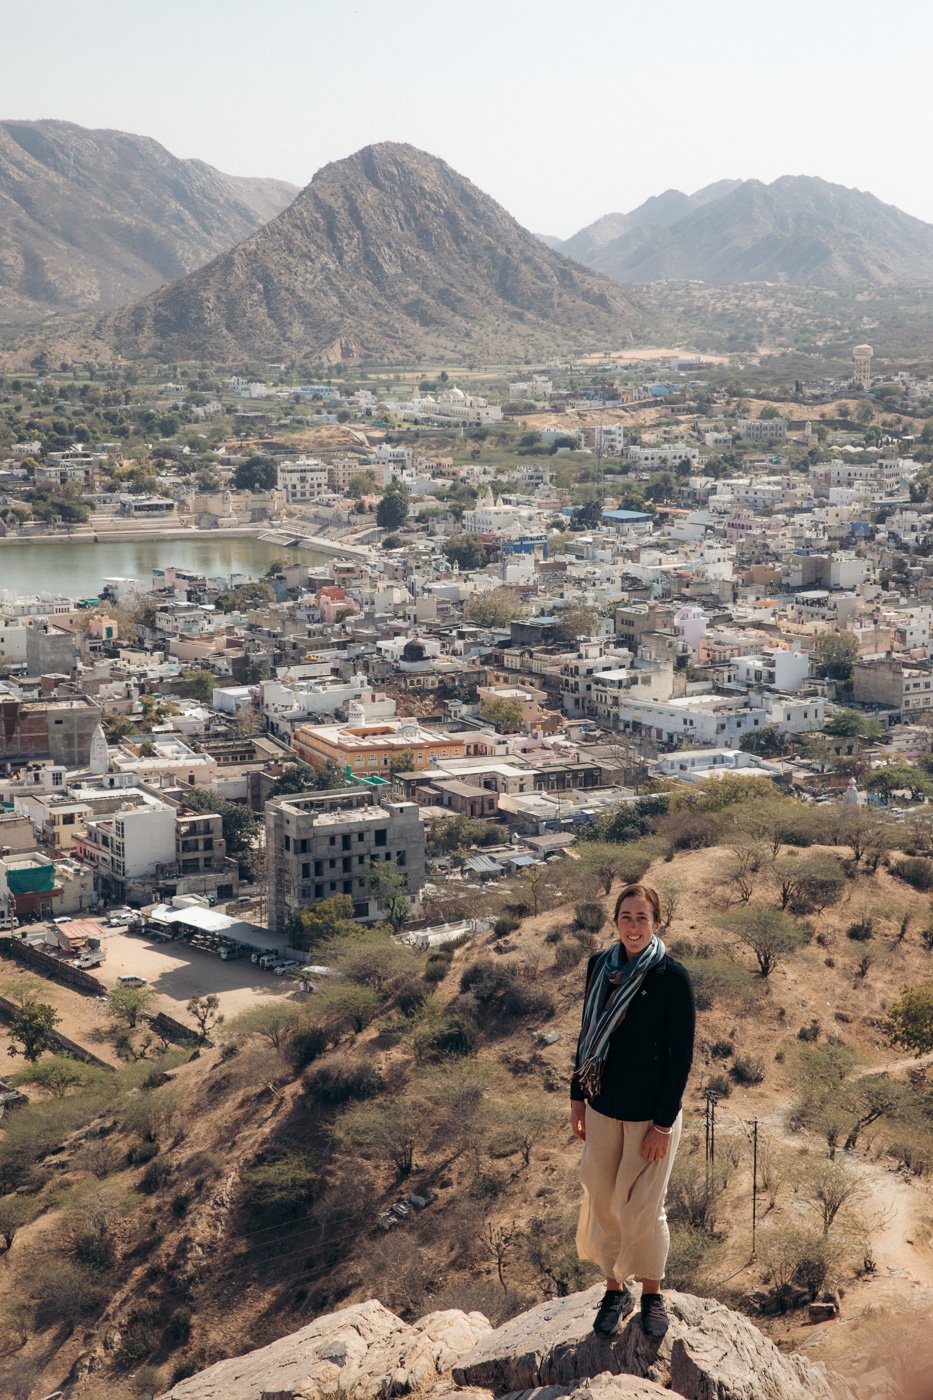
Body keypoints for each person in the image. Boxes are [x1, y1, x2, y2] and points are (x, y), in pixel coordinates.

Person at [570, 881, 695, 1341]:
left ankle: (652, 1294)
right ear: (616, 922)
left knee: (643, 1207)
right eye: (626, 917)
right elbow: (587, 1035)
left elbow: (681, 1057)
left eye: (643, 918)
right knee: (604, 1201)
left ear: (657, 922)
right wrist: (577, 1096)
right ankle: (614, 1290)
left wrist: (662, 1124)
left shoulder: (671, 977)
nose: (634, 926)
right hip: (603, 1108)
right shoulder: (599, 967)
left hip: (651, 1118)